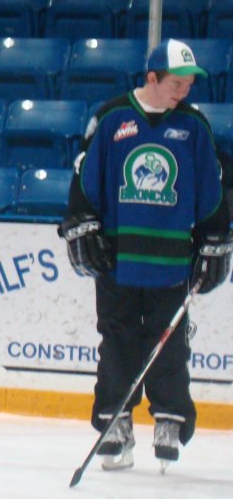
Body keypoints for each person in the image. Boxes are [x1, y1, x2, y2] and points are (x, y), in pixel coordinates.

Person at [60, 38, 232, 472]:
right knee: (116, 336)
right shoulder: (113, 117)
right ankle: (114, 421)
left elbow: (211, 192)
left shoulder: (194, 126)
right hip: (118, 257)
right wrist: (82, 221)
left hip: (172, 257)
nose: (184, 91)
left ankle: (170, 418)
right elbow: (85, 178)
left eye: (190, 83)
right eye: (177, 83)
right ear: (151, 78)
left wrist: (216, 237)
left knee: (168, 340)